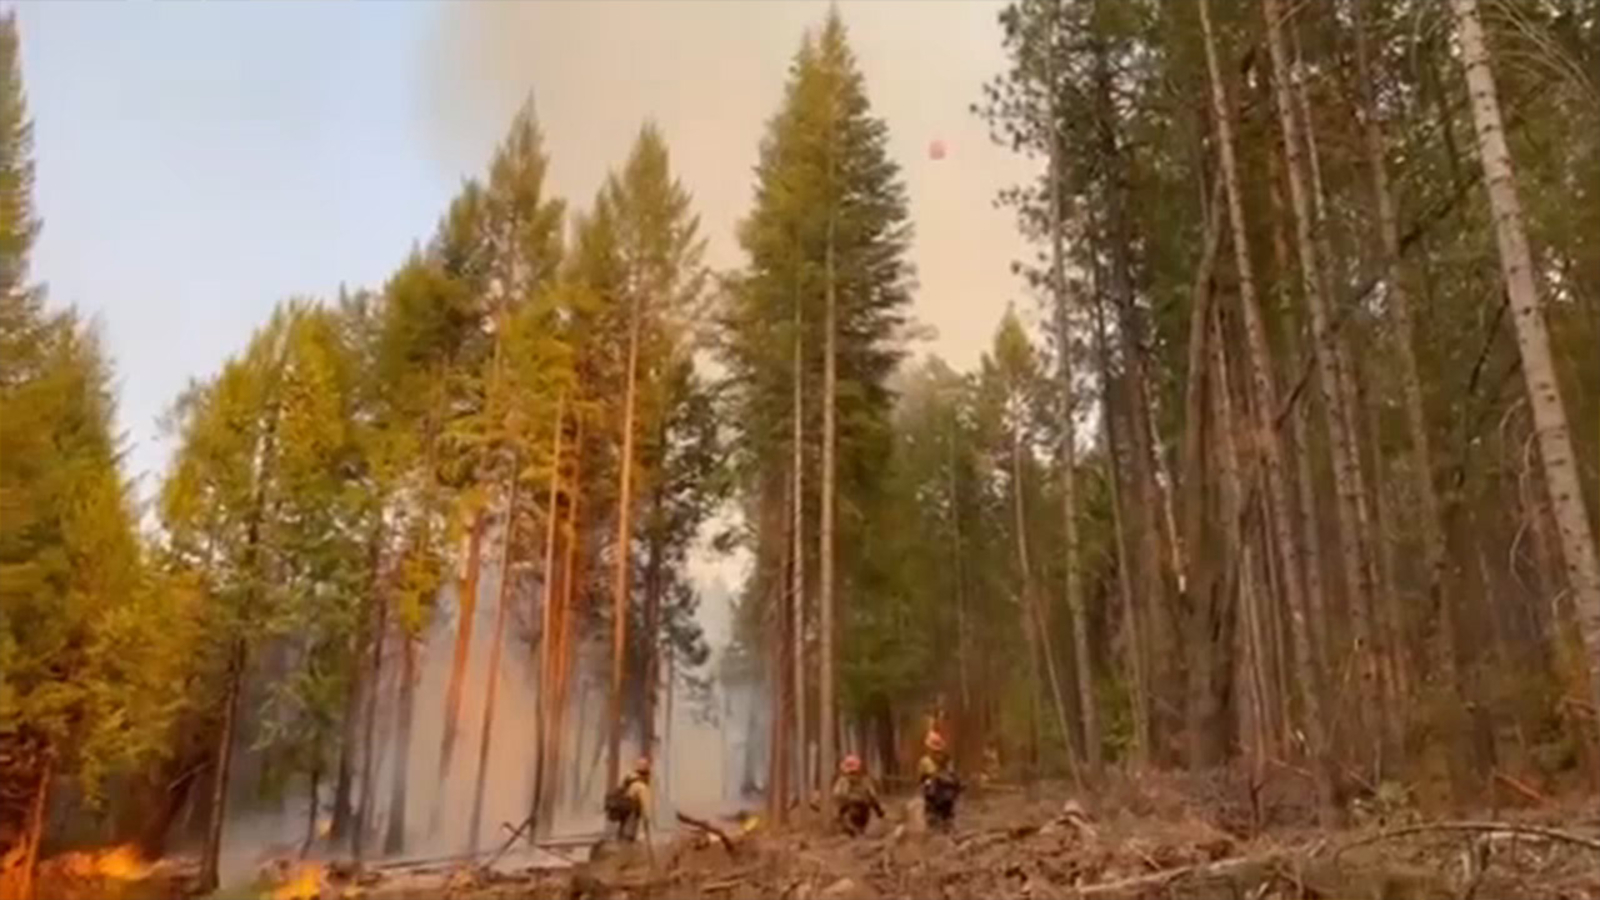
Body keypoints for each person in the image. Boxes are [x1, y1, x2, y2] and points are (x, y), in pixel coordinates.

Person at [830, 754, 884, 836]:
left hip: (850, 805)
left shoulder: (843, 780)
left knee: (841, 814)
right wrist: (878, 809)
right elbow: (872, 794)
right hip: (861, 805)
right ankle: (857, 829)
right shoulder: (864, 779)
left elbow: (837, 793)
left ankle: (848, 826)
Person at [917, 731, 961, 832]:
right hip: (933, 791)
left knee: (946, 810)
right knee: (933, 810)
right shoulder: (925, 761)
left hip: (944, 792)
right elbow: (922, 778)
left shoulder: (946, 760)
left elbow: (952, 775)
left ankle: (946, 823)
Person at [604, 757, 654, 843]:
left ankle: (622, 844)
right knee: (628, 836)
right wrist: (647, 819)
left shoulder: (629, 778)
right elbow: (646, 805)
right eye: (642, 764)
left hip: (626, 812)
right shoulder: (640, 785)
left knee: (623, 835)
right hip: (632, 813)